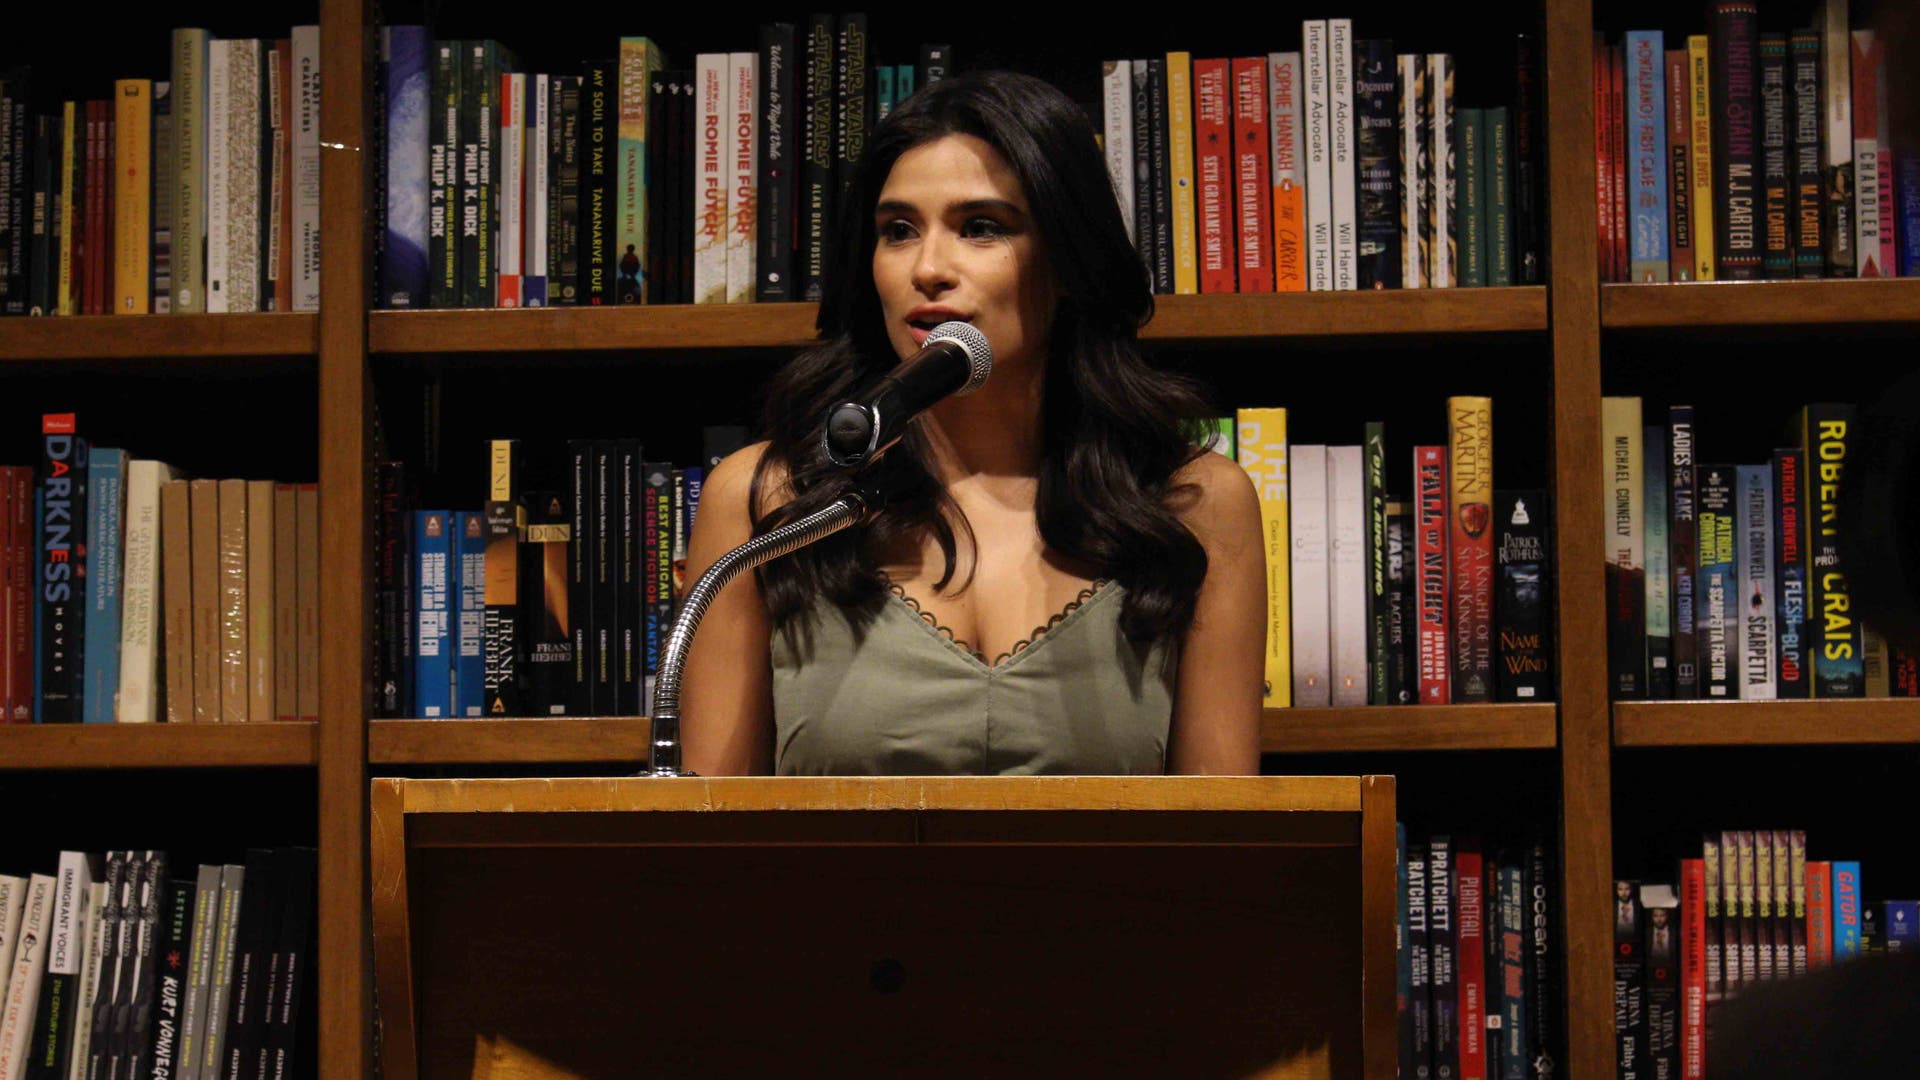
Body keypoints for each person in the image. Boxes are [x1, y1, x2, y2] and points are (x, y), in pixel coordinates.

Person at [678, 70, 1264, 777]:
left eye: (980, 227)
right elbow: (710, 838)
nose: (928, 268)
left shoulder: (1197, 504)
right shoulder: (766, 500)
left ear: (1068, 260)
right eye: (898, 231)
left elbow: (1225, 838)